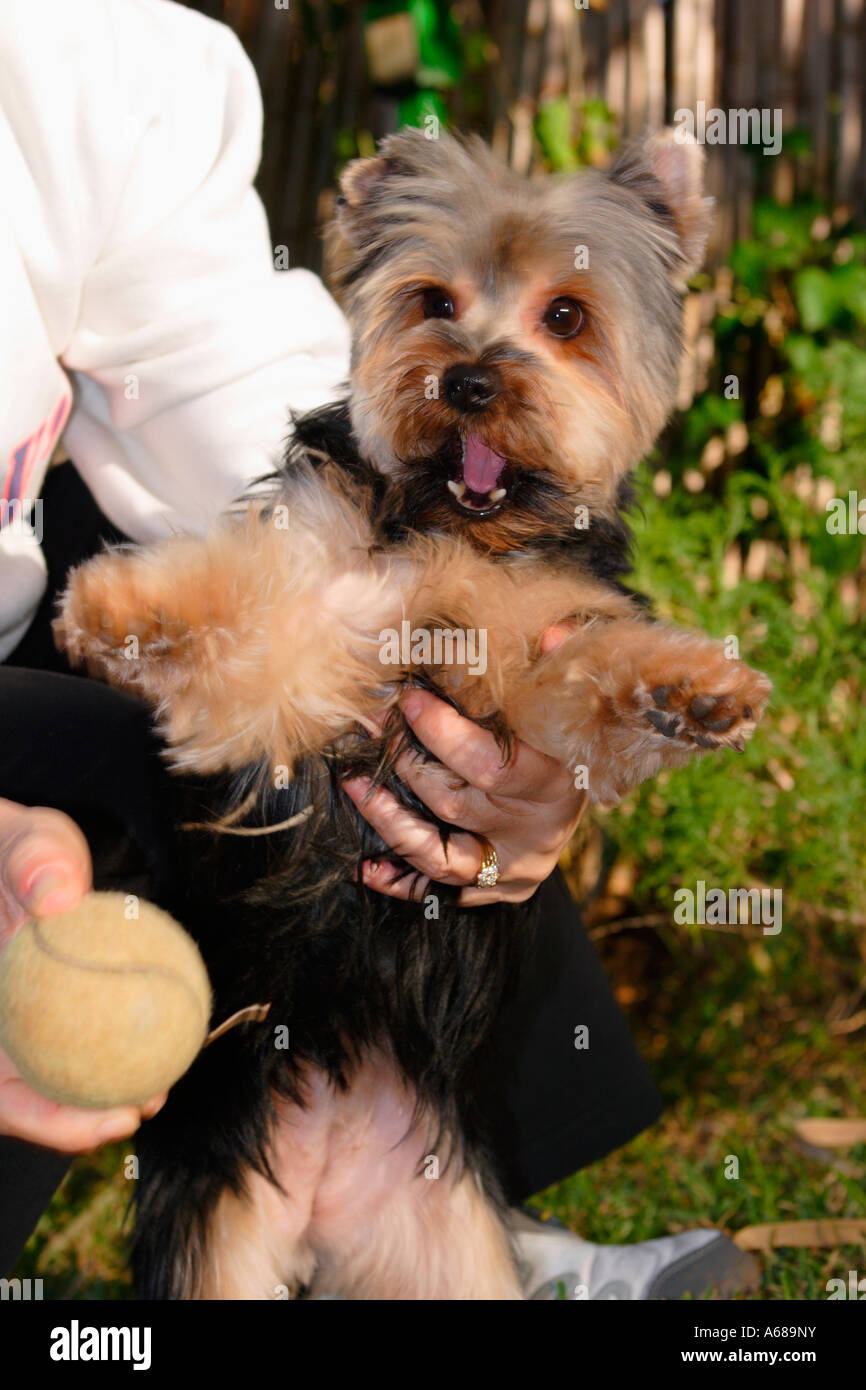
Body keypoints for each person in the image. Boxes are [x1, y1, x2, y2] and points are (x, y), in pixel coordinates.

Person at [0, 0, 757, 1300]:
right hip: (210, 1016)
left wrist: (561, 757)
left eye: (560, 322)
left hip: (390, 1026)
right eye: (440, 307)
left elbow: (238, 392)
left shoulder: (83, 56)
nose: (479, 360)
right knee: (259, 619)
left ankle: (479, 1218)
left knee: (457, 602)